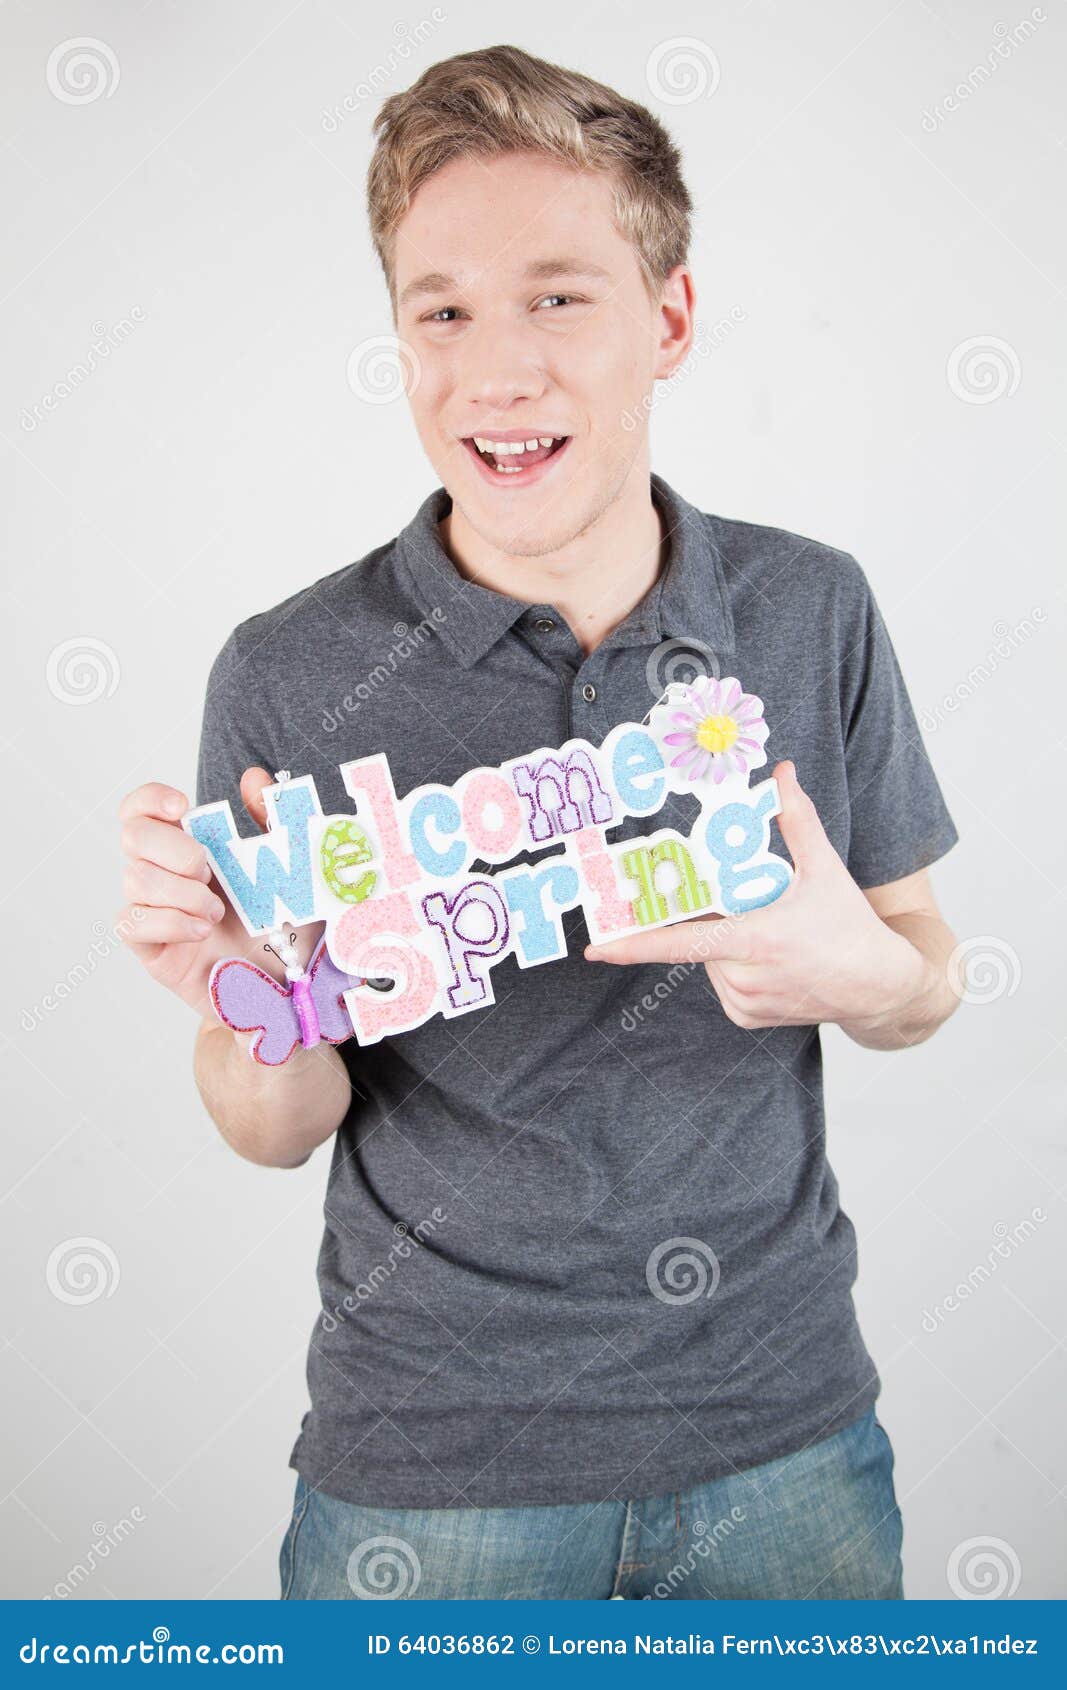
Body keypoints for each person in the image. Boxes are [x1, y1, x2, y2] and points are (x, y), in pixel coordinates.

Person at [117, 45, 961, 1601]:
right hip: (431, 1490)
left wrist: (881, 976)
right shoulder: (289, 673)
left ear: (673, 320)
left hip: (788, 1445)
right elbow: (269, 1124)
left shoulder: (809, 607)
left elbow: (922, 969)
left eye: (559, 296)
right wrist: (257, 1001)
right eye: (441, 310)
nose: (494, 372)